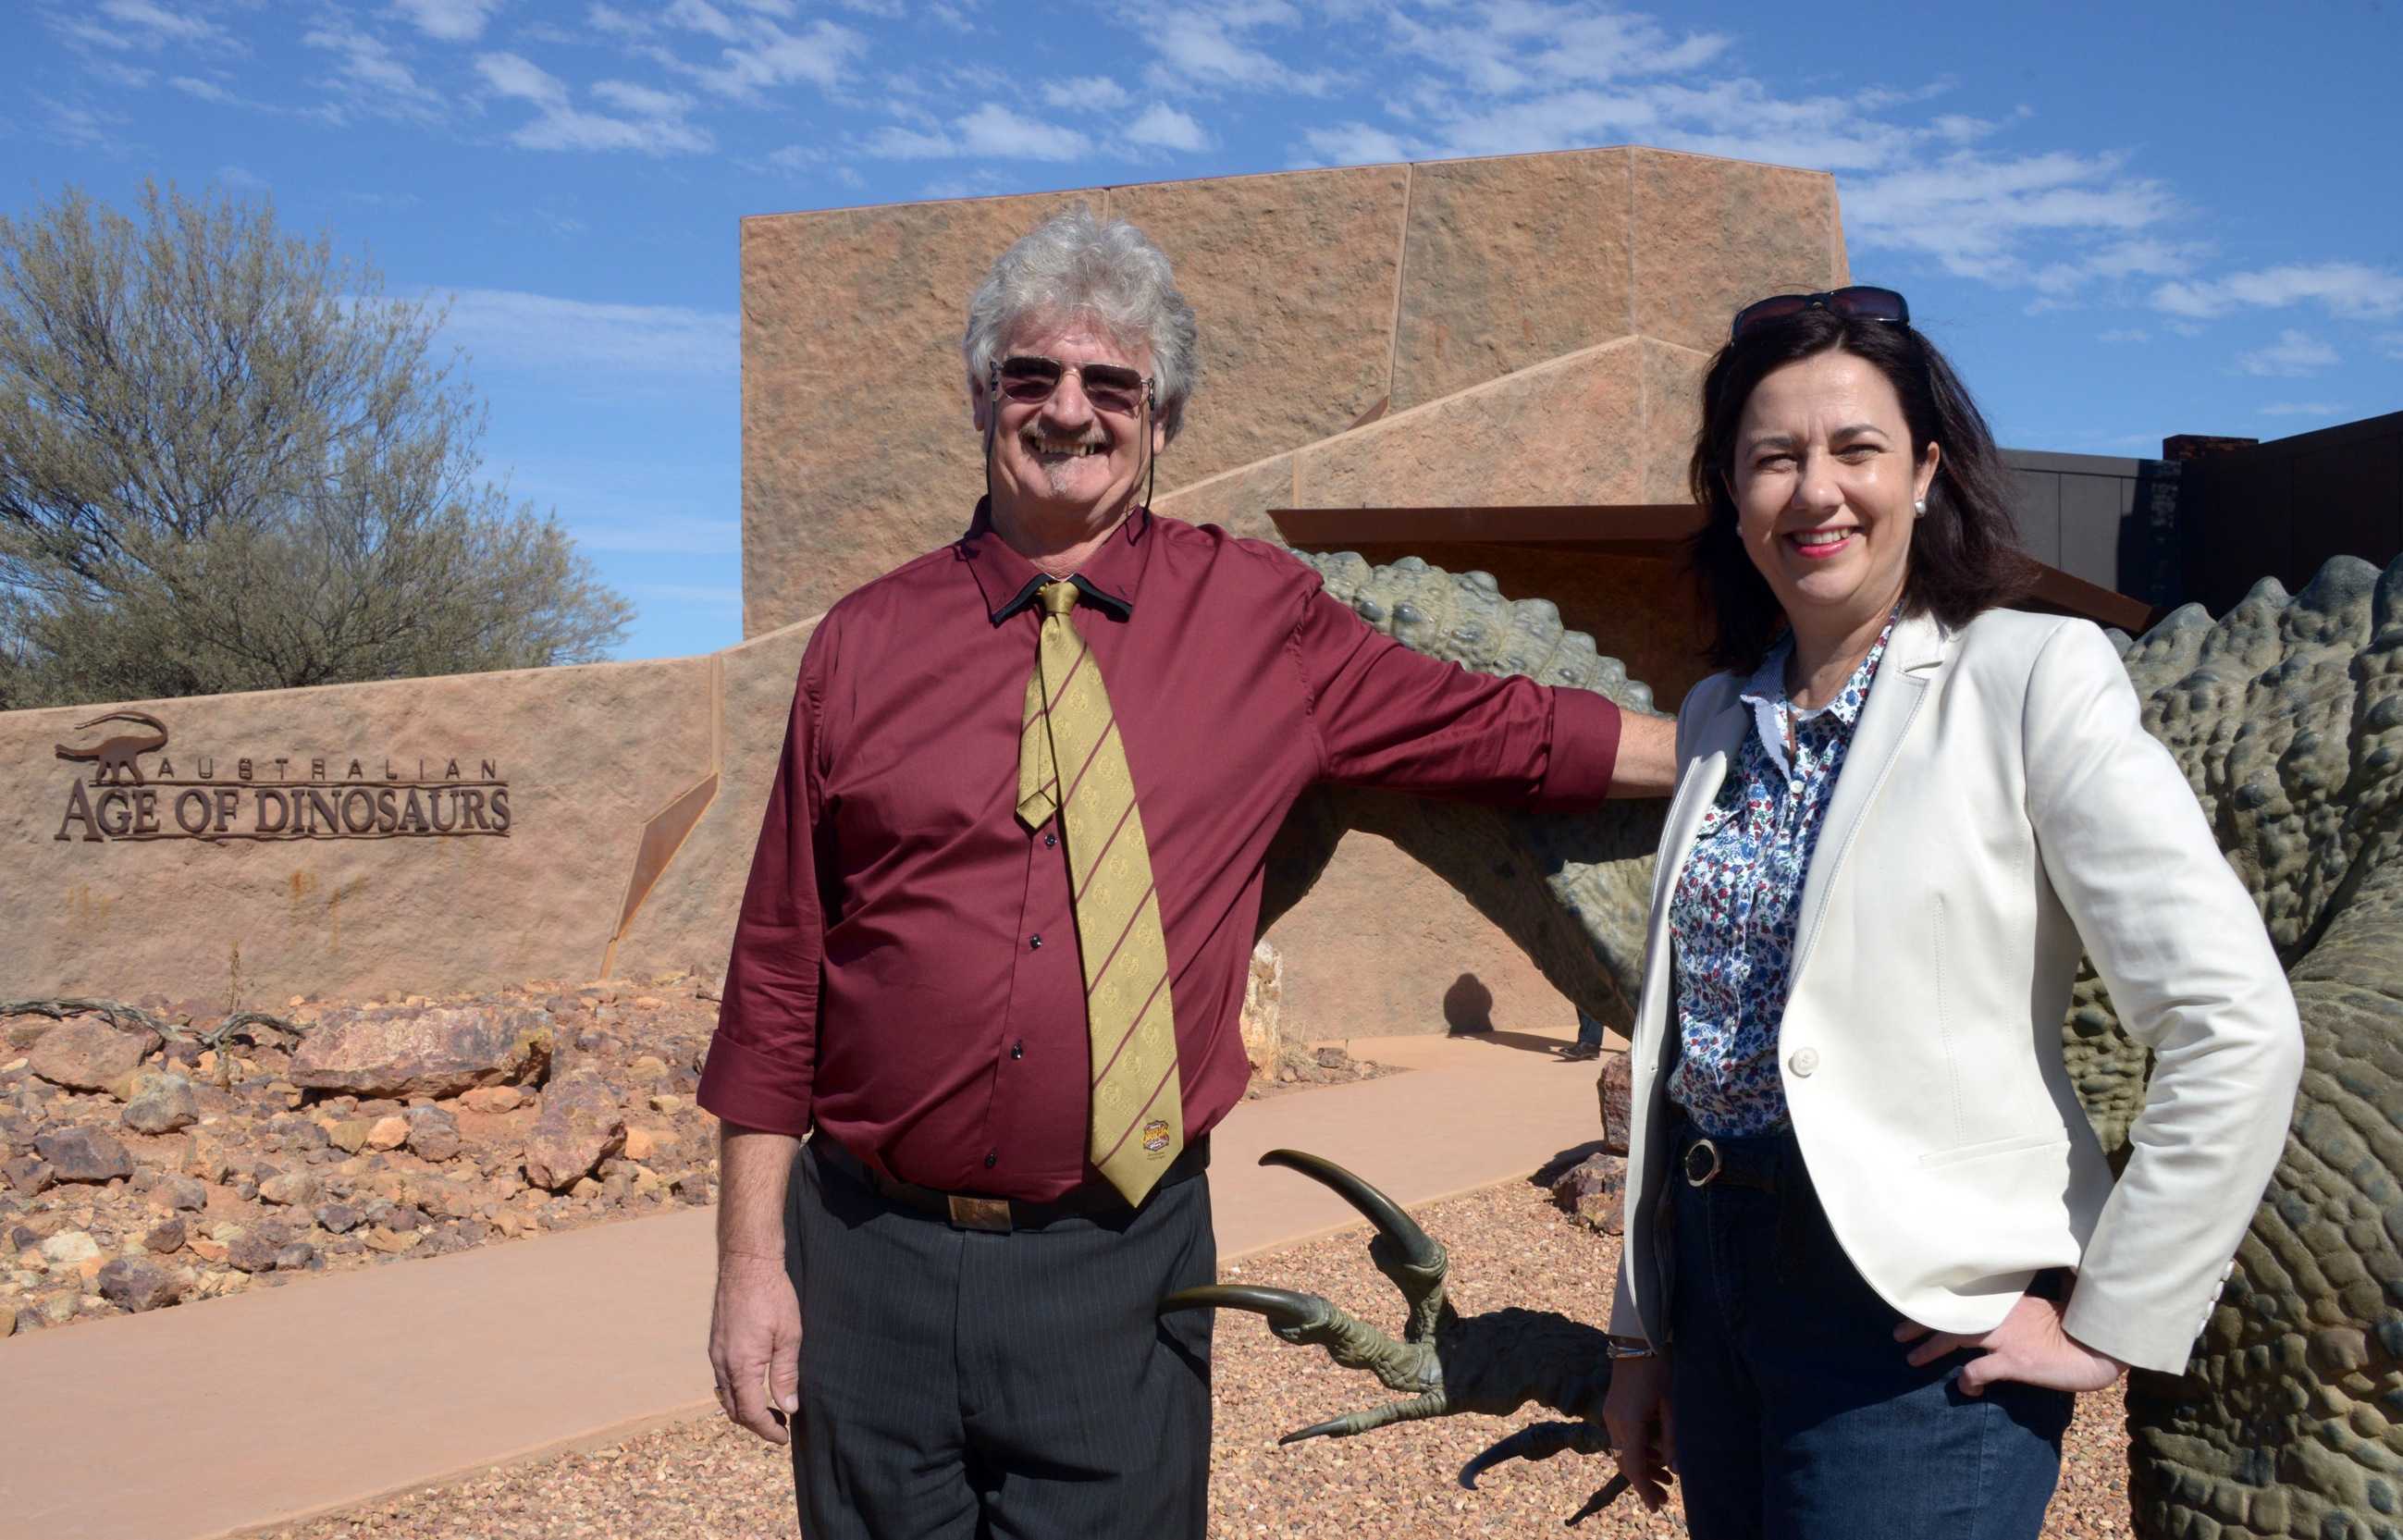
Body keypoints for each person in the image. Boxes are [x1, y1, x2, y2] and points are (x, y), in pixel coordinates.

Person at [699, 205, 1676, 1540]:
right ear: (980, 396)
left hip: (1118, 1265)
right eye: (1032, 374)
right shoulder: (862, 644)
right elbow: (777, 971)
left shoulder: (1259, 619)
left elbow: (1497, 728)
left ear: (1161, 422)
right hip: (870, 1260)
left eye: (1112, 384)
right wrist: (751, 1260)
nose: (1069, 409)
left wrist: (1741, 739)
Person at [1597, 286, 2302, 1538]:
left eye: (1854, 448)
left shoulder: (2029, 673)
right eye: (1773, 457)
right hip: (1711, 1293)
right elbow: (1681, 1056)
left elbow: (2229, 1017)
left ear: (1923, 469)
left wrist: (2105, 1316)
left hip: (1912, 1328)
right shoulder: (1715, 717)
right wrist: (1641, 1329)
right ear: (1733, 490)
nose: (1815, 491)